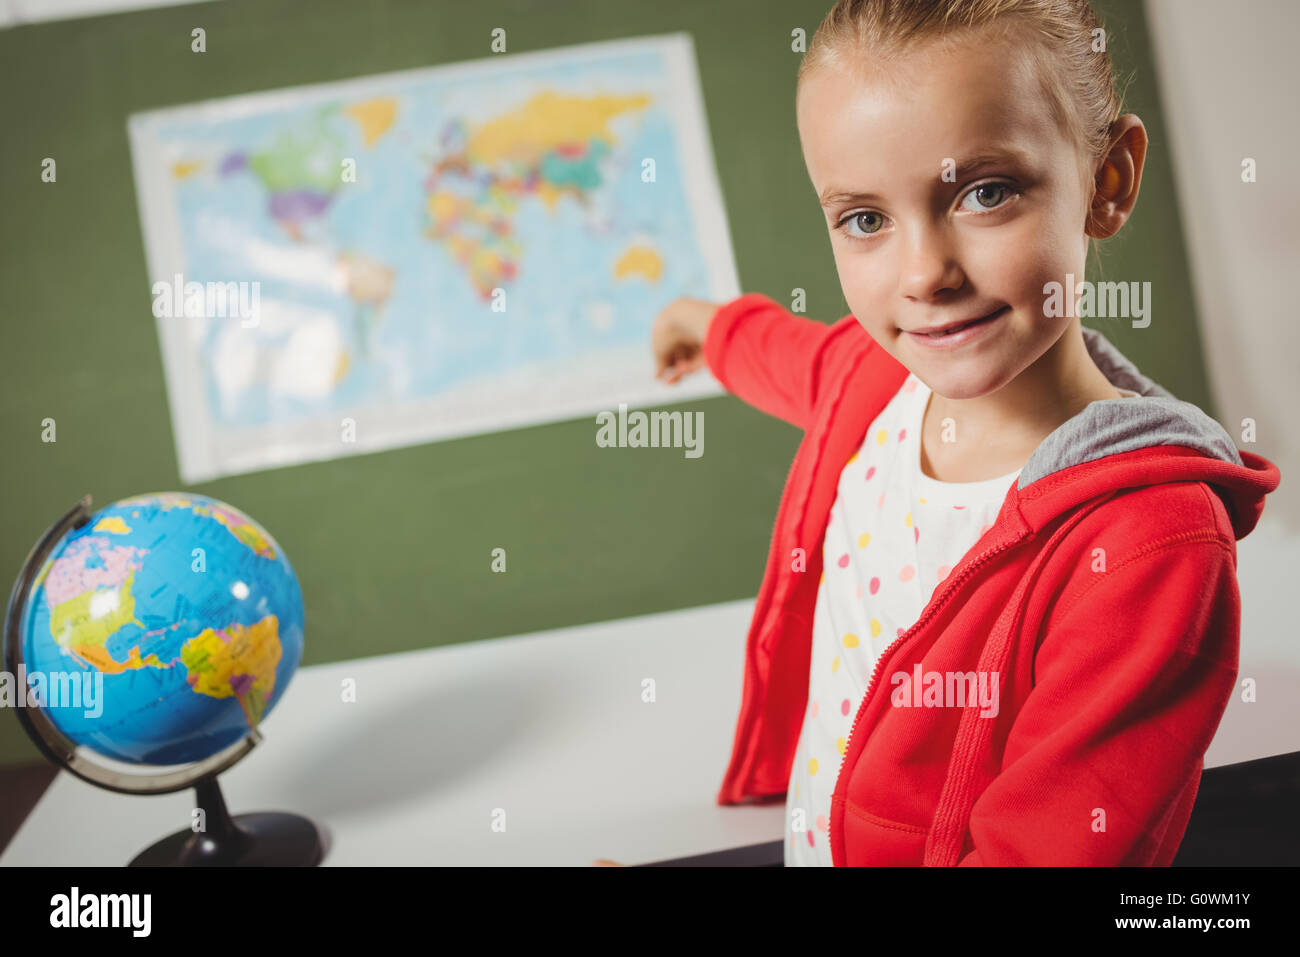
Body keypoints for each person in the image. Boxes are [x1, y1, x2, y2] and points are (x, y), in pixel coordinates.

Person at [646, 0, 1281, 866]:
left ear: (1108, 181)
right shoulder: (876, 383)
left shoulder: (1149, 549)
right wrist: (697, 324)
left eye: (986, 193)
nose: (924, 276)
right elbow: (782, 355)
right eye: (865, 218)